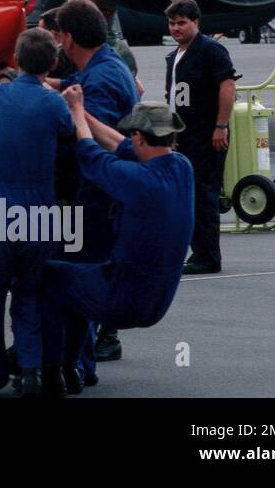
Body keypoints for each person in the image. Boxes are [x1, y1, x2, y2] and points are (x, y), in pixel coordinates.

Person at [42, 91, 194, 394]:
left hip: (124, 300)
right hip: (157, 300)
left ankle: (49, 372)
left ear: (139, 136)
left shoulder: (137, 181)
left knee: (49, 275)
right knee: (76, 280)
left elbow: (89, 152)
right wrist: (81, 112)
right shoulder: (181, 168)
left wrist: (73, 111)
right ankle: (70, 368)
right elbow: (117, 144)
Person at [0, 28, 74, 397]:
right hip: (38, 208)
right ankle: (31, 370)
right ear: (53, 63)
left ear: (16, 59)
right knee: (30, 289)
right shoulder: (54, 104)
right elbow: (69, 131)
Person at [50, 0, 138, 383]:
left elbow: (89, 137)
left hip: (96, 197)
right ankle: (78, 363)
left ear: (68, 38)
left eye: (57, 36)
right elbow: (71, 88)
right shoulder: (104, 66)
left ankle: (77, 366)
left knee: (77, 278)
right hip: (103, 195)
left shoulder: (100, 80)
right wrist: (38, 81)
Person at [72, 0, 142, 361]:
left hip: (104, 173)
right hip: (112, 167)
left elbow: (95, 120)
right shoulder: (113, 55)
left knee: (97, 253)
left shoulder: (109, 56)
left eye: (80, 3)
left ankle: (106, 333)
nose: (72, 4)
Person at [164, 0, 238, 275]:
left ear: (196, 22)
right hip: (182, 135)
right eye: (172, 23)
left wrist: (221, 126)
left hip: (205, 135)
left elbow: (227, 85)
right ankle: (196, 250)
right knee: (188, 195)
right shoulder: (175, 55)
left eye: (182, 23)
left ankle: (208, 256)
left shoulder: (210, 50)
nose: (176, 28)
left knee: (204, 194)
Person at [73, 0, 144, 98]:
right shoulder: (76, 43)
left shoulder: (117, 52)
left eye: (81, 6)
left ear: (104, 13)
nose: (71, 10)